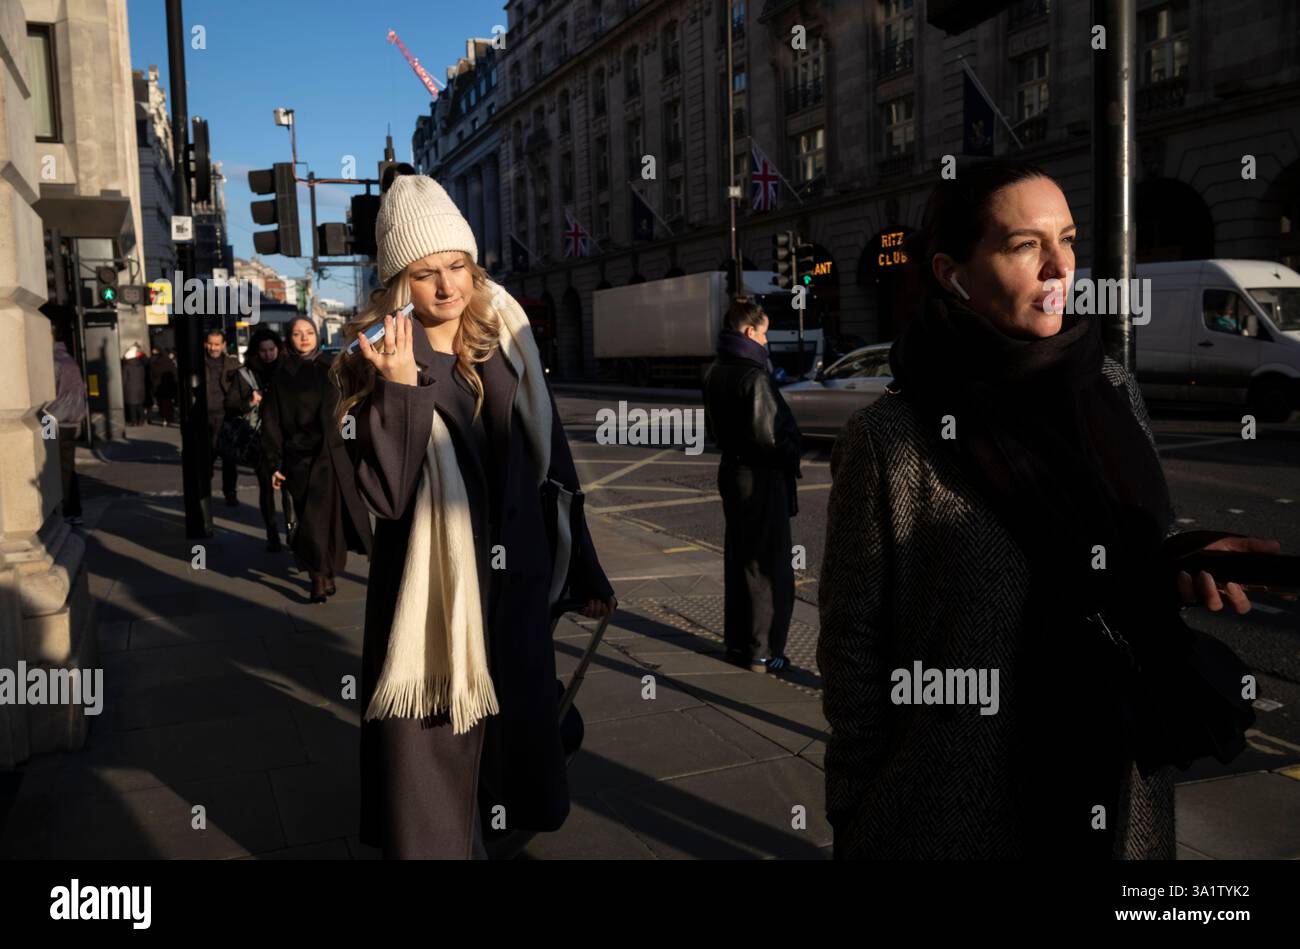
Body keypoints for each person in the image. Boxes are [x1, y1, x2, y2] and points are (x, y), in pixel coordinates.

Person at [817, 160, 1278, 860]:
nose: (1061, 264)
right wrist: (855, 811)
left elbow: (1114, 550)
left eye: (1066, 237)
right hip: (951, 810)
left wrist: (1178, 560)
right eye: (1025, 244)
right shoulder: (890, 437)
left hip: (1117, 789)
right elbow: (853, 651)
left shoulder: (1111, 388)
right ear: (953, 273)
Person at [335, 172, 616, 859]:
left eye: (457, 265)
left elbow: (553, 467)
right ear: (399, 279)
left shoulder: (507, 336)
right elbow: (386, 494)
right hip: (433, 606)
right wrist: (401, 390)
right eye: (425, 272)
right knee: (437, 787)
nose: (446, 287)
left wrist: (584, 567)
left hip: (513, 593)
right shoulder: (373, 356)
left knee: (511, 762)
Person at [702, 298, 803, 673]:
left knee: (740, 560)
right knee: (769, 566)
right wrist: (794, 446)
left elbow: (714, 430)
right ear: (749, 332)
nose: (766, 341)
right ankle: (764, 651)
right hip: (761, 479)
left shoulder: (714, 370)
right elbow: (769, 438)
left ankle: (737, 644)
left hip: (733, 474)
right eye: (763, 333)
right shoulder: (755, 375)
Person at [261, 316, 372, 601]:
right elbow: (271, 420)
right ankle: (318, 574)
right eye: (297, 333)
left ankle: (325, 574)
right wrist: (273, 463)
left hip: (332, 455)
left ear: (317, 334)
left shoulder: (333, 368)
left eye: (309, 332)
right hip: (297, 458)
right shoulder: (281, 374)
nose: (304, 337)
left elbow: (355, 405)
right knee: (309, 520)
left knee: (329, 519)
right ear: (289, 338)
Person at [227, 327, 286, 551]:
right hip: (260, 438)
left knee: (291, 487)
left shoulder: (287, 370)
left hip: (285, 437)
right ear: (256, 352)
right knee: (266, 487)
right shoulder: (245, 375)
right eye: (263, 351)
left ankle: (292, 530)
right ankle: (273, 534)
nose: (268, 354)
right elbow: (230, 406)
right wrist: (250, 402)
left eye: (272, 349)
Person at [47, 323, 87, 525]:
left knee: (49, 466)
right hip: (72, 421)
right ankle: (74, 511)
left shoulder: (51, 362)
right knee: (68, 467)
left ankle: (58, 510)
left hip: (52, 420)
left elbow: (46, 394)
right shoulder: (70, 360)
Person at [204, 330, 242, 505]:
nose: (213, 348)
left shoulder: (233, 363)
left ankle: (230, 493)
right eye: (210, 343)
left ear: (224, 345)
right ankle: (203, 494)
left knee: (229, 459)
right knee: (205, 459)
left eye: (217, 344)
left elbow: (244, 387)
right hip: (204, 417)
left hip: (226, 417)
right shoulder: (198, 362)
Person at [121, 342, 147, 426]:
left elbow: (124, 379)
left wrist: (123, 387)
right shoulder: (141, 365)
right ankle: (142, 420)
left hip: (130, 389)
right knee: (140, 405)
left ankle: (134, 421)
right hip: (140, 388)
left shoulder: (126, 366)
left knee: (132, 406)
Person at [152, 347, 177, 425]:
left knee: (161, 403)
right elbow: (175, 375)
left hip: (158, 387)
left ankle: (163, 416)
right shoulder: (170, 363)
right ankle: (169, 418)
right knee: (168, 403)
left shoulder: (156, 363)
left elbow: (152, 375)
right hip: (168, 386)